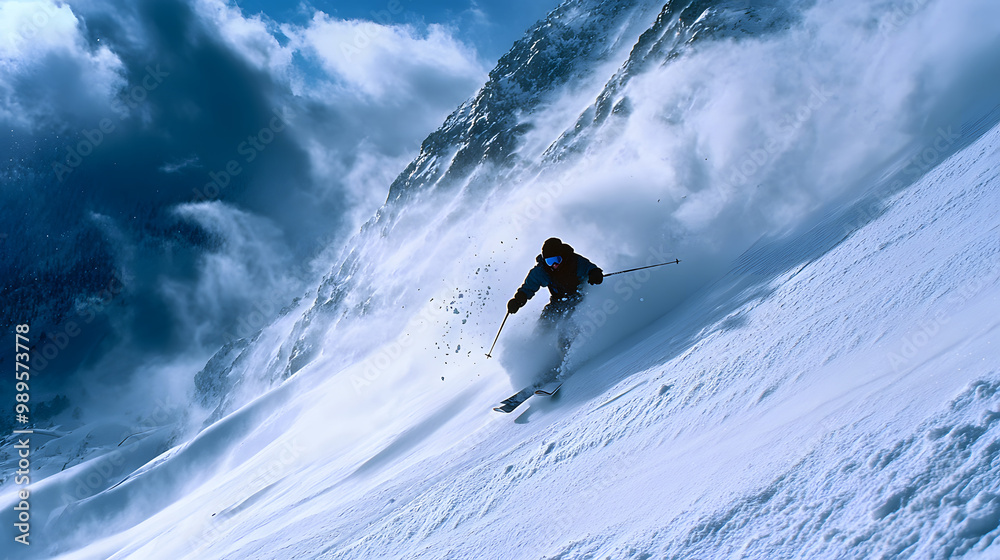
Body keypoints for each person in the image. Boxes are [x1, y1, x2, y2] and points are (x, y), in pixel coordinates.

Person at [506, 238, 603, 334]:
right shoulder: (542, 270)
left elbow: (589, 268)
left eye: (557, 260)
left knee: (569, 324)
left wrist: (595, 273)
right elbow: (528, 287)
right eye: (550, 261)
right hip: (558, 302)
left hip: (580, 298)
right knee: (545, 323)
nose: (554, 265)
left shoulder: (574, 262)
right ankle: (540, 340)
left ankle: (570, 339)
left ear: (562, 256)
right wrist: (517, 300)